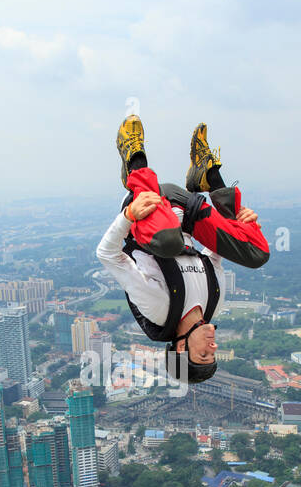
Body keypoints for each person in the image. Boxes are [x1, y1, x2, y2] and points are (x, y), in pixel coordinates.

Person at [96, 116, 270, 384]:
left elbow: (108, 255)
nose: (213, 348)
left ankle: (134, 160)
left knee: (169, 243)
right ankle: (206, 173)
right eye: (214, 355)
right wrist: (241, 225)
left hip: (150, 204)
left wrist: (129, 214)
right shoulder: (214, 303)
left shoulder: (160, 309)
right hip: (189, 208)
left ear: (181, 349)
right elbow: (216, 253)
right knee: (258, 254)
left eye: (203, 355)